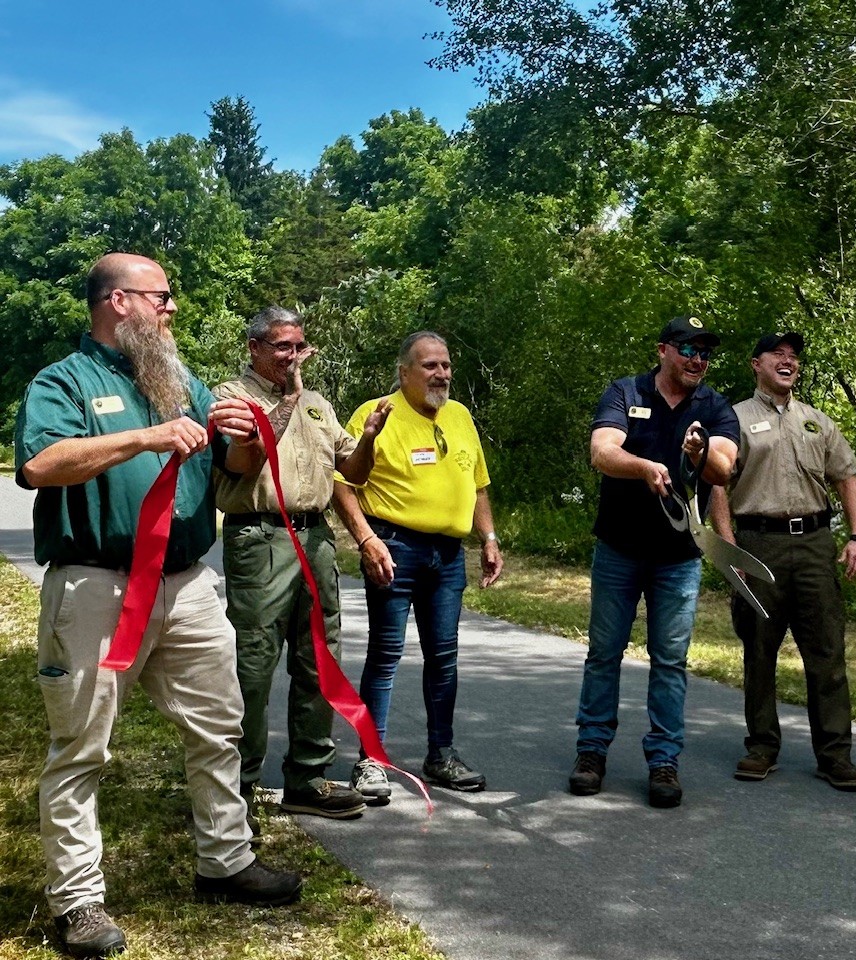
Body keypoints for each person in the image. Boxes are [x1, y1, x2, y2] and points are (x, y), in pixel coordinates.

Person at [15, 253, 302, 959]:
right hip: (95, 585)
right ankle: (78, 903)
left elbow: (233, 467)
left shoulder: (181, 381)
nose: (172, 308)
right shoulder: (63, 380)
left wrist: (244, 434)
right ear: (118, 302)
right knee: (81, 747)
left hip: (187, 582)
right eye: (162, 296)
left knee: (218, 727)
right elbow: (40, 464)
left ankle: (225, 861)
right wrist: (145, 436)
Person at [214, 306, 391, 823]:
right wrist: (288, 399)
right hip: (262, 537)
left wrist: (374, 435)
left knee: (319, 661)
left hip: (316, 539)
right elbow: (245, 457)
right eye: (281, 347)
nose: (293, 357)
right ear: (255, 348)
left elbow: (350, 469)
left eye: (299, 347)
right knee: (254, 664)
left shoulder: (317, 404)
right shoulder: (231, 398)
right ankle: (239, 786)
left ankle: (308, 777)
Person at [568, 314, 740, 808]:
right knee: (604, 653)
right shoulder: (626, 392)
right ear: (663, 350)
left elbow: (724, 470)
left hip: (678, 559)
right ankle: (591, 752)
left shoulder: (714, 407)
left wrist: (700, 451)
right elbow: (602, 452)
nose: (697, 359)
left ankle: (664, 761)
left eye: (705, 352)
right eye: (688, 348)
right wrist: (644, 467)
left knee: (670, 661)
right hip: (619, 549)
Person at [332, 331, 503, 800]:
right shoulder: (375, 414)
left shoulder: (461, 416)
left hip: (448, 555)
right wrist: (366, 540)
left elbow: (479, 486)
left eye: (446, 365)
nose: (441, 374)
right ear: (404, 372)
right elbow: (342, 483)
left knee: (444, 658)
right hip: (394, 547)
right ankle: (370, 760)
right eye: (429, 366)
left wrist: (488, 537)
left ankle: (441, 755)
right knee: (385, 655)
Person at [707, 331, 856, 791]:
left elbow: (848, 479)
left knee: (827, 652)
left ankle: (835, 755)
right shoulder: (732, 419)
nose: (787, 361)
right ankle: (761, 747)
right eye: (776, 354)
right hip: (760, 544)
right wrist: (727, 545)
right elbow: (718, 484)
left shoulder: (818, 422)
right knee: (759, 649)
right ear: (755, 364)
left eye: (793, 356)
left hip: (817, 543)